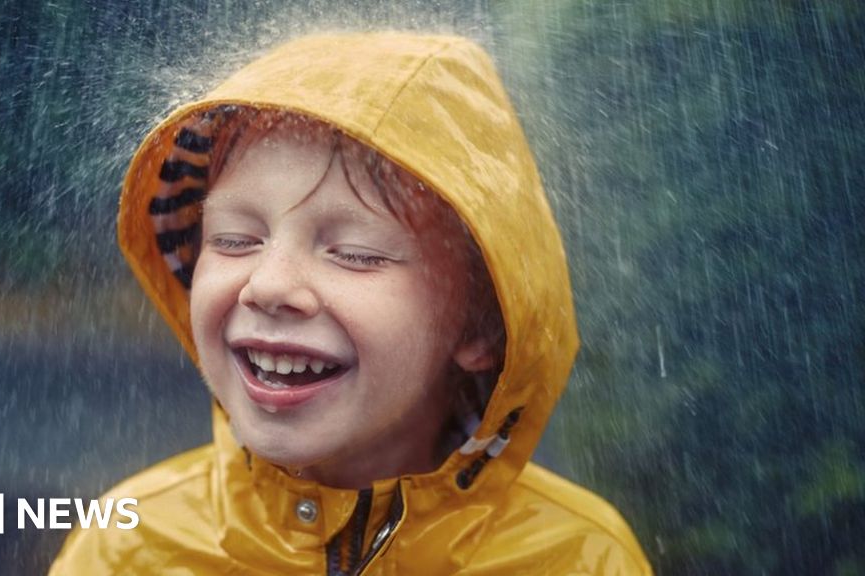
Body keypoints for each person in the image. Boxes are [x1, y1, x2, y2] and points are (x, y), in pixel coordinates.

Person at [50, 32, 653, 575]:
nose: (269, 285)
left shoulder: (581, 561)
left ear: (481, 325)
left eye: (355, 253)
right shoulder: (129, 549)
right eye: (234, 240)